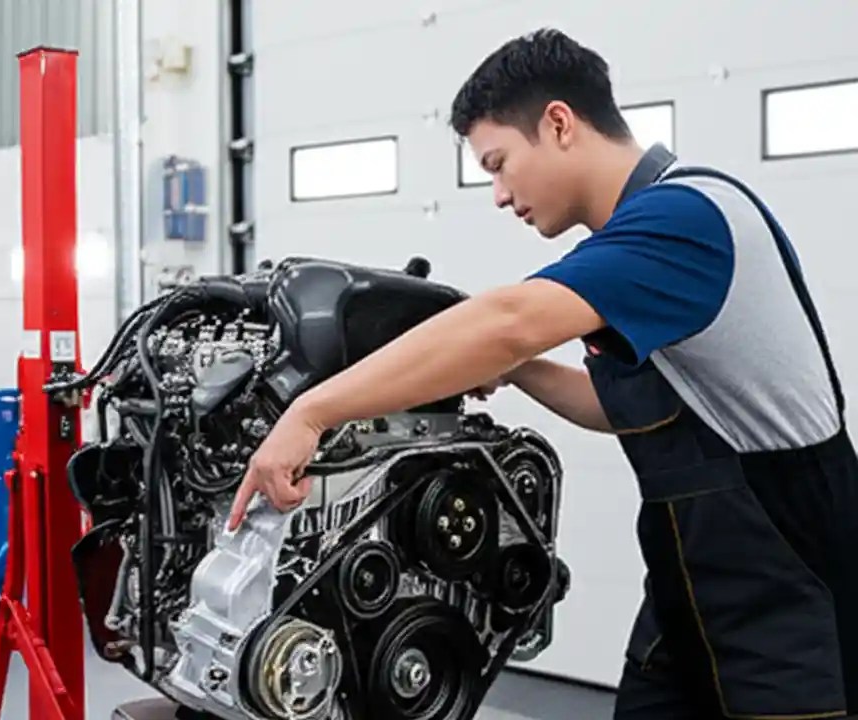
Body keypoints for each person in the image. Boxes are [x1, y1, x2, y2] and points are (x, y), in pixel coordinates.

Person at [226, 27, 858, 720]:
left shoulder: (687, 218)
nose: (499, 194)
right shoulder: (636, 248)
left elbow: (508, 319)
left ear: (559, 123)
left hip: (786, 578)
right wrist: (525, 372)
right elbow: (626, 409)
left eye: (499, 163)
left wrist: (311, 413)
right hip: (692, 582)